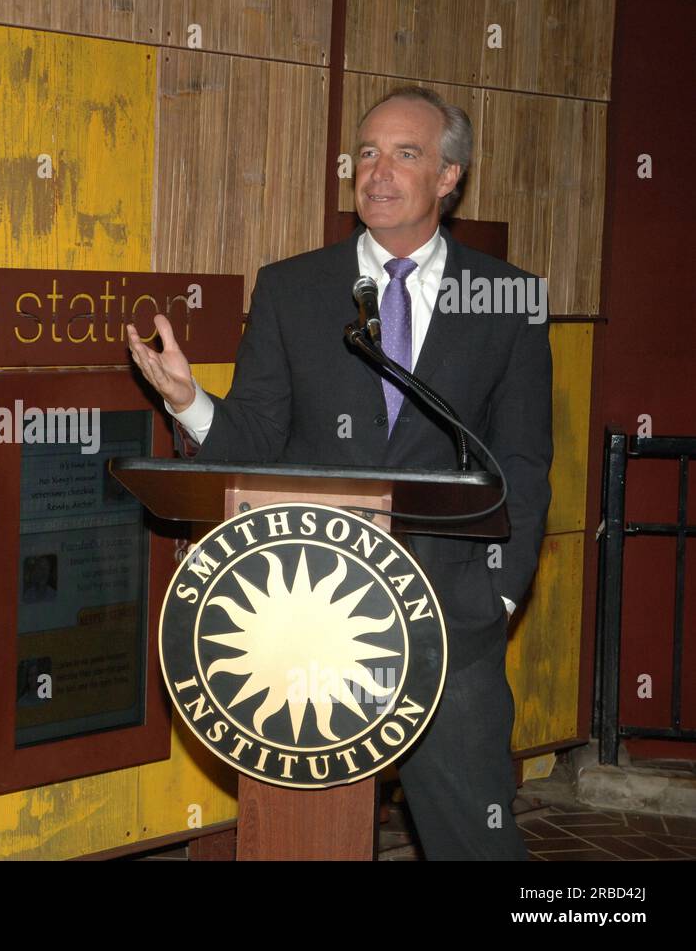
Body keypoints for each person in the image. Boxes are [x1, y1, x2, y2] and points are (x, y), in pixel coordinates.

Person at [127, 86, 552, 860]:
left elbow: (522, 461)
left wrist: (497, 589)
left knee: (475, 840)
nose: (378, 172)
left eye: (405, 154)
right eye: (366, 153)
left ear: (450, 176)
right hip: (303, 609)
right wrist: (192, 403)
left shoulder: (508, 299)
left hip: (448, 613)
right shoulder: (293, 287)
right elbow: (256, 436)